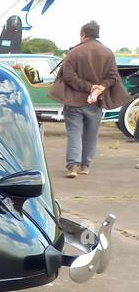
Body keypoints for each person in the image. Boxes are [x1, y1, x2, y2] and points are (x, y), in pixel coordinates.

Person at [50, 21, 127, 177]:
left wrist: (88, 87)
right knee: (91, 134)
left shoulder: (74, 53)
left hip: (73, 100)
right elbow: (113, 77)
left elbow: (69, 77)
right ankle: (85, 166)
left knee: (74, 133)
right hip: (96, 101)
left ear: (83, 34)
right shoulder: (108, 53)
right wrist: (100, 87)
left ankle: (73, 166)